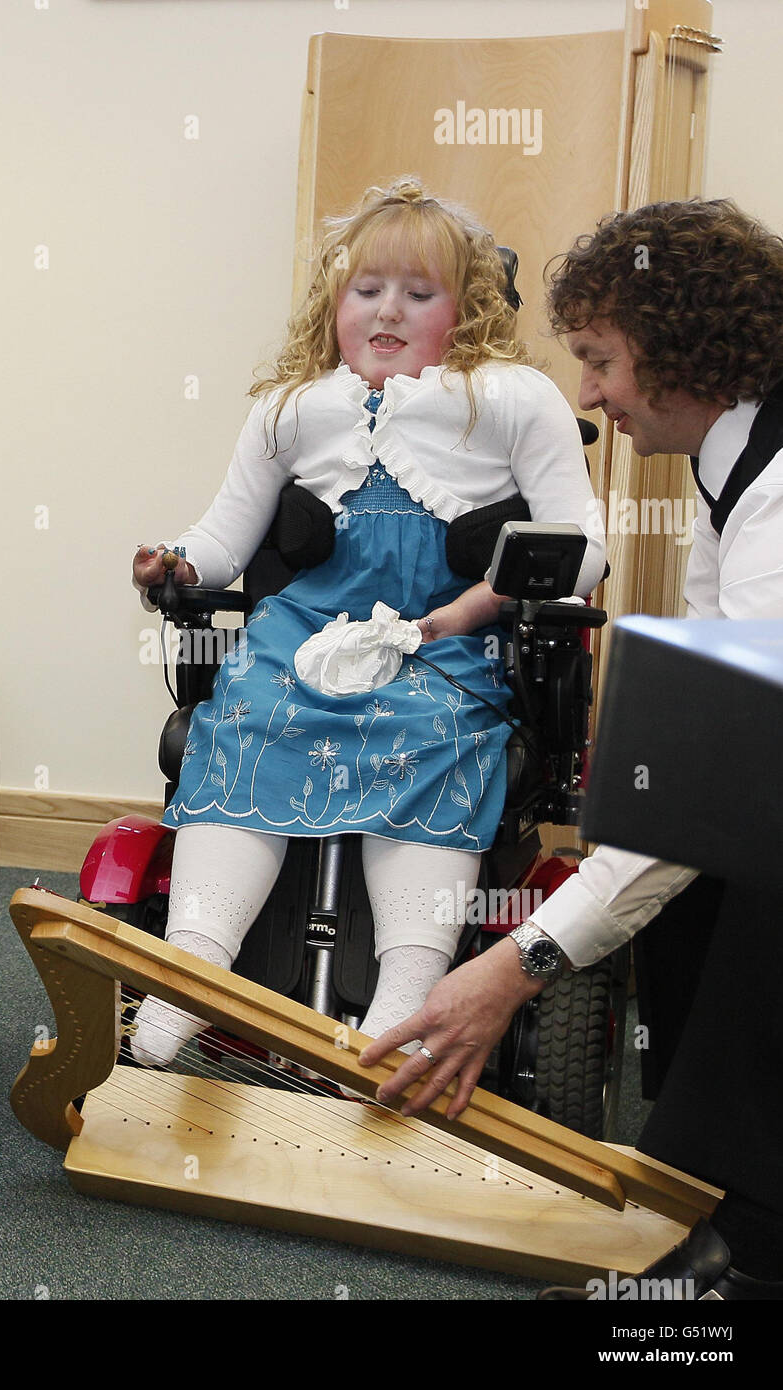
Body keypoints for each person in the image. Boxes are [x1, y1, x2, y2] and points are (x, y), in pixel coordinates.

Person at [360, 197, 783, 1300]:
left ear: (683, 347)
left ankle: (744, 1260)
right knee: (686, 855)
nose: (589, 395)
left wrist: (514, 965)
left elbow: (730, 774)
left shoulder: (777, 489)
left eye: (599, 362)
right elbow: (700, 747)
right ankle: (723, 1206)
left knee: (749, 855)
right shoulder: (729, 461)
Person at [128, 178, 605, 1067]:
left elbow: (586, 546)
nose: (388, 310)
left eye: (419, 295)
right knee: (245, 715)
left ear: (465, 313)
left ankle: (401, 1003)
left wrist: (517, 584)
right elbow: (224, 538)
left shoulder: (508, 397)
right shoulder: (291, 407)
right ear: (332, 302)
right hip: (302, 638)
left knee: (424, 733)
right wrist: (178, 564)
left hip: (445, 641)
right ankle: (190, 972)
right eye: (366, 290)